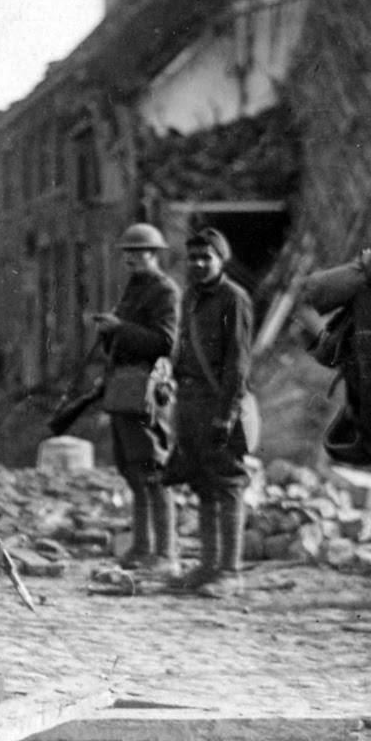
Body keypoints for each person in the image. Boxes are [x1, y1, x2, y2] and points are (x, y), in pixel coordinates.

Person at [165, 228, 254, 598]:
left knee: (228, 485)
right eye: (193, 257)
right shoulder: (189, 298)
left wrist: (226, 414)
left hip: (219, 404)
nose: (199, 264)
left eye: (207, 257)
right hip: (189, 402)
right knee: (202, 484)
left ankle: (230, 571)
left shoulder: (234, 299)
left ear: (222, 260)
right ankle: (207, 565)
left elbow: (238, 362)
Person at [92, 223, 181, 574]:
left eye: (138, 251)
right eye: (127, 252)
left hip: (148, 390)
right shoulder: (135, 288)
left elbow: (165, 343)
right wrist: (110, 333)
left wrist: (119, 329)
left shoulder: (164, 290)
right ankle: (143, 548)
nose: (130, 258)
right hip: (125, 387)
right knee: (132, 470)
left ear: (154, 254)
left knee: (153, 470)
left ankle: (166, 554)